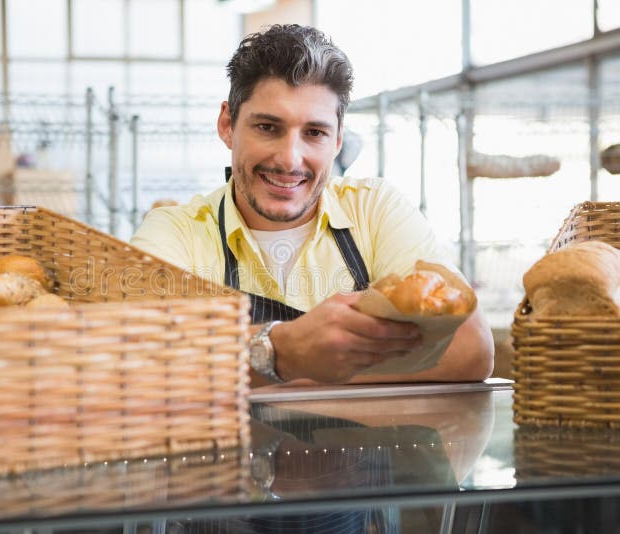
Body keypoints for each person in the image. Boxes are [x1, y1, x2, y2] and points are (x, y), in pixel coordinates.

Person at [131, 24, 494, 385]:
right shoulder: (175, 231)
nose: (290, 160)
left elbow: (470, 347)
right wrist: (285, 351)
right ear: (227, 124)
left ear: (337, 140)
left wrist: (240, 364)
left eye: (314, 133)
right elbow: (132, 356)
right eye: (267, 127)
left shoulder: (375, 211)